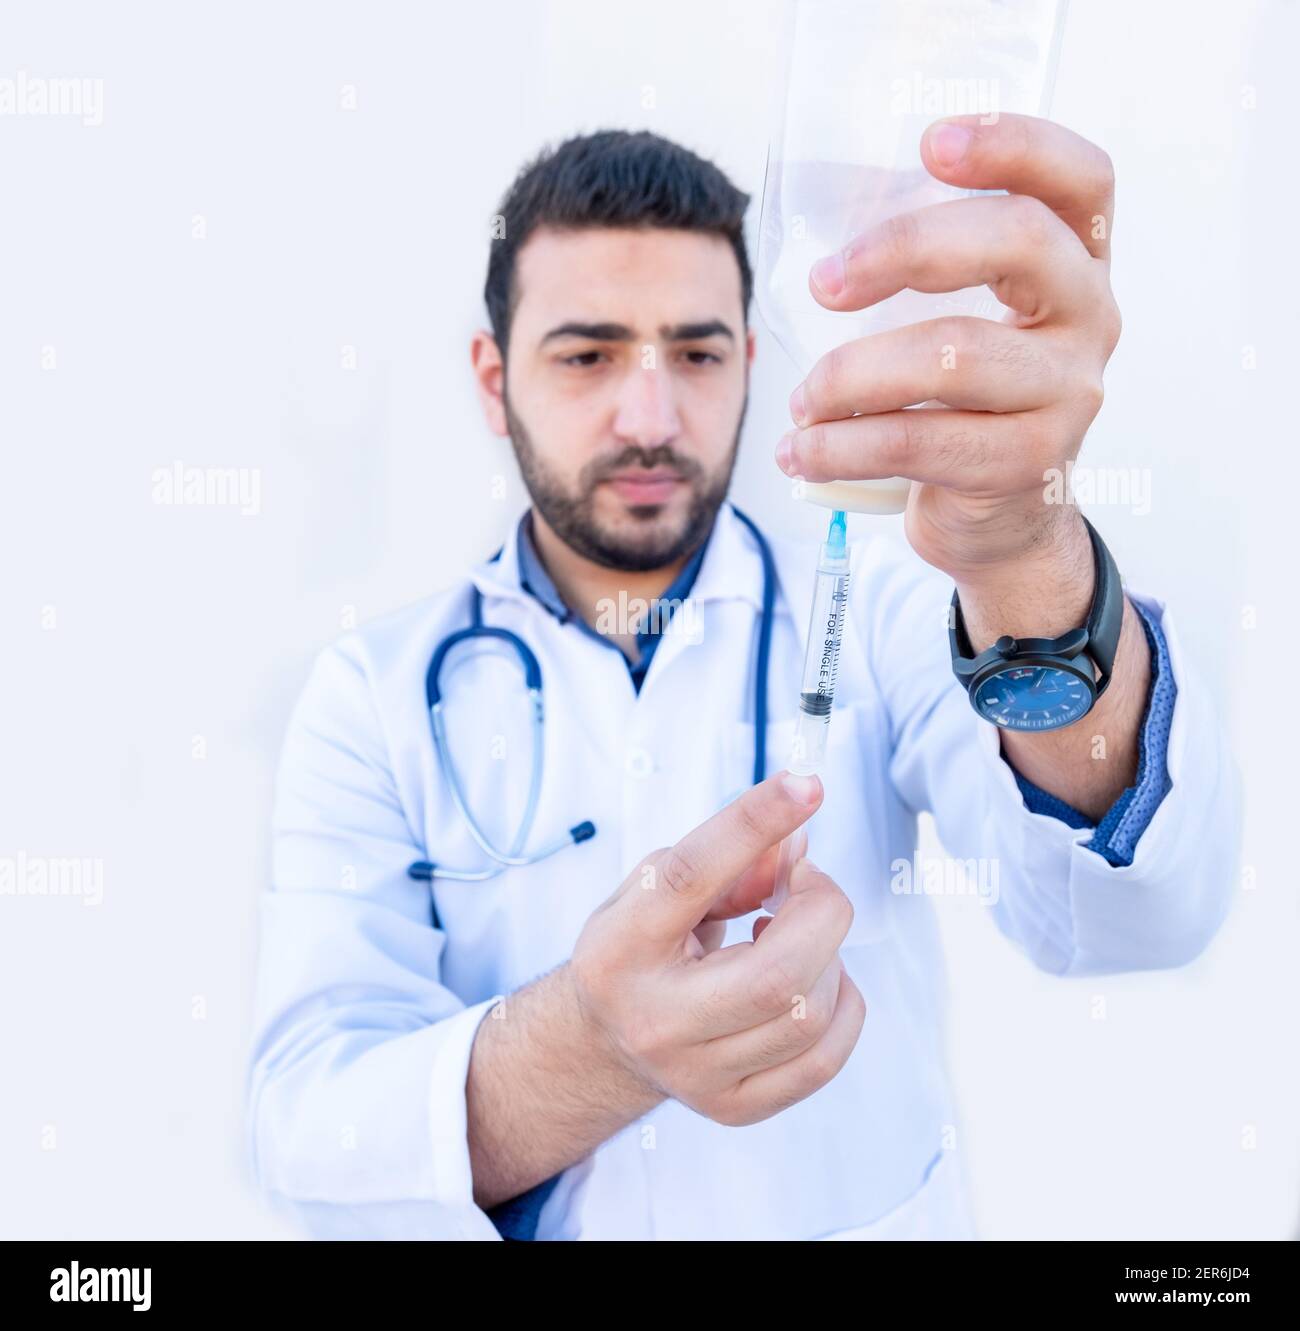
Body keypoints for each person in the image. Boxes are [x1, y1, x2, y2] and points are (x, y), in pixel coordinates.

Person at [245, 117, 1240, 1241]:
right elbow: (307, 1126)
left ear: (754, 362)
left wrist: (1019, 550)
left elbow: (1134, 916)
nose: (652, 418)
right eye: (587, 354)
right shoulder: (371, 696)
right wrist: (597, 1046)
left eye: (698, 352)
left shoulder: (881, 597)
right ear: (493, 376)